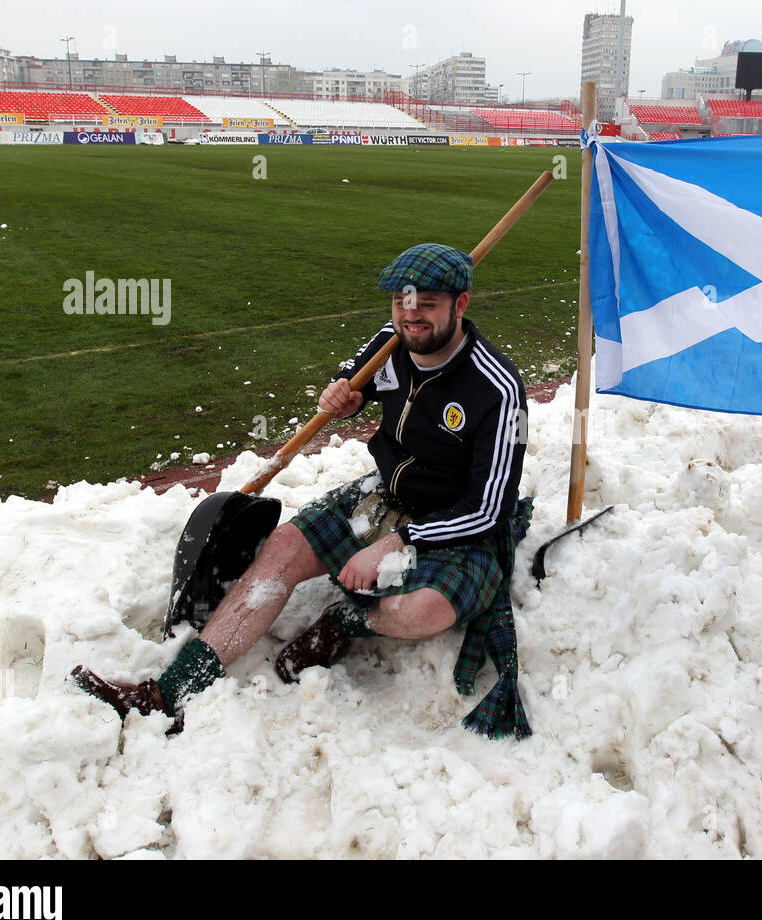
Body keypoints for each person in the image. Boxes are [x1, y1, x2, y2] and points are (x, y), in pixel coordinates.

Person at [71, 243, 533, 738]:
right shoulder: (390, 343)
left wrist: (394, 545)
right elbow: (352, 383)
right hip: (383, 494)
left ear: (461, 305)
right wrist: (342, 394)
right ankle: (168, 693)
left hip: (452, 523)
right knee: (283, 550)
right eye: (401, 300)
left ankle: (343, 622)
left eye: (427, 303)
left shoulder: (499, 390)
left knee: (423, 610)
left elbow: (488, 509)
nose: (410, 314)